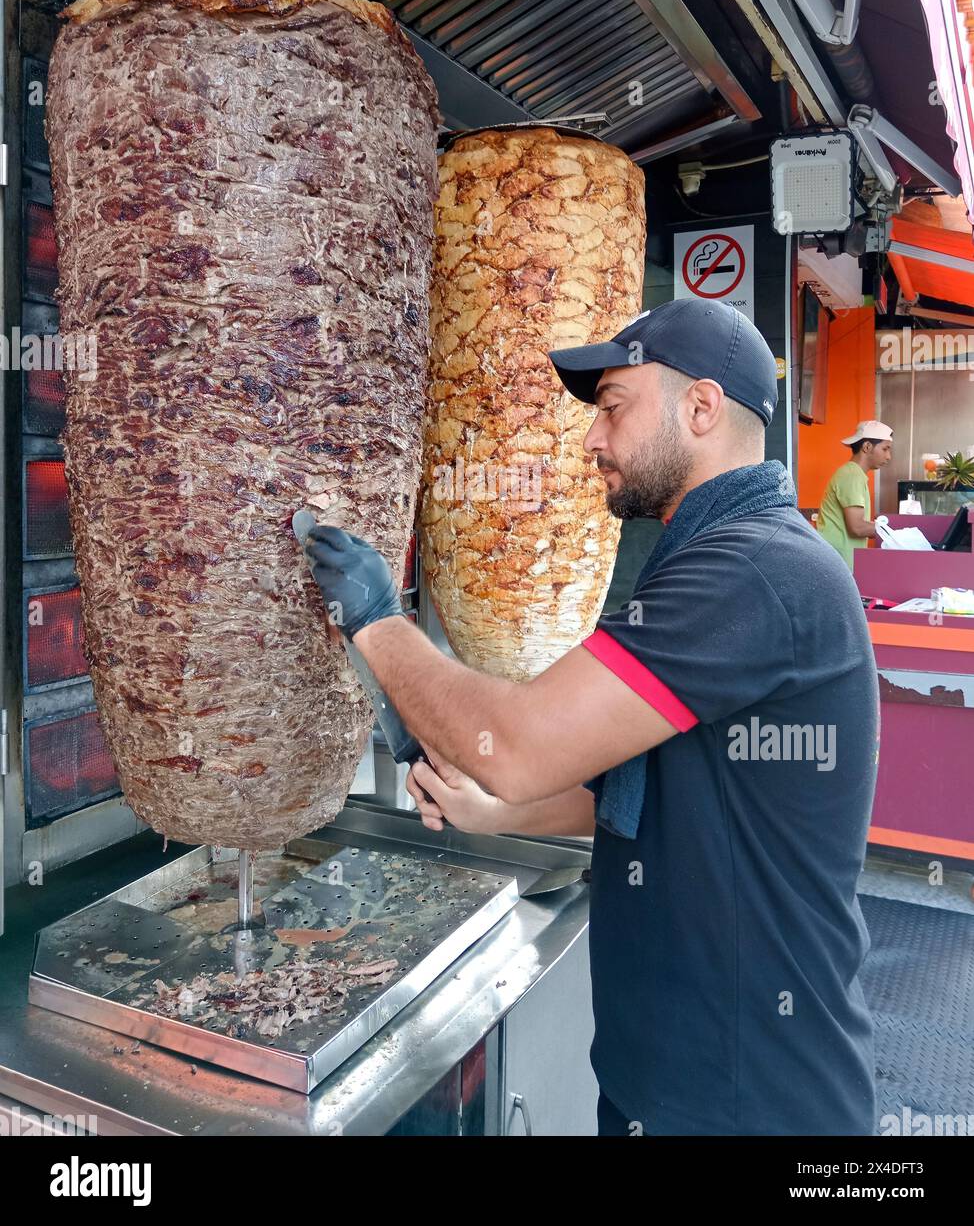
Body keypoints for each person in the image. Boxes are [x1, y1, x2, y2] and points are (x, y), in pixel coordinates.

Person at [301, 299, 879, 1137]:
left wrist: (379, 622)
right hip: (671, 1087)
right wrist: (497, 811)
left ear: (702, 407)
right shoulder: (717, 557)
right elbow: (658, 788)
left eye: (613, 406)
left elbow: (525, 742)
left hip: (751, 1103)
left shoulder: (758, 572)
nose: (590, 439)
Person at [816, 421, 894, 571]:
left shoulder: (854, 474)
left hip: (839, 562)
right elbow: (857, 527)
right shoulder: (852, 475)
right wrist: (896, 533)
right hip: (837, 564)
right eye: (885, 449)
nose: (888, 456)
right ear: (867, 447)